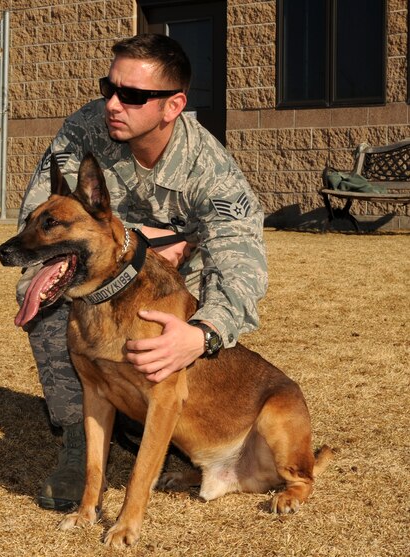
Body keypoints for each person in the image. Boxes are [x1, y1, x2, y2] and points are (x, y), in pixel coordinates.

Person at [14, 33, 268, 512]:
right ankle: (78, 438)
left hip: (180, 284)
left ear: (173, 106)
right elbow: (41, 214)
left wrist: (203, 332)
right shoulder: (84, 128)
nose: (112, 104)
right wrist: (141, 239)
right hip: (104, 266)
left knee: (191, 329)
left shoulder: (209, 167)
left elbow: (241, 264)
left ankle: (164, 423)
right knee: (43, 291)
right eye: (109, 87)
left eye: (131, 95)